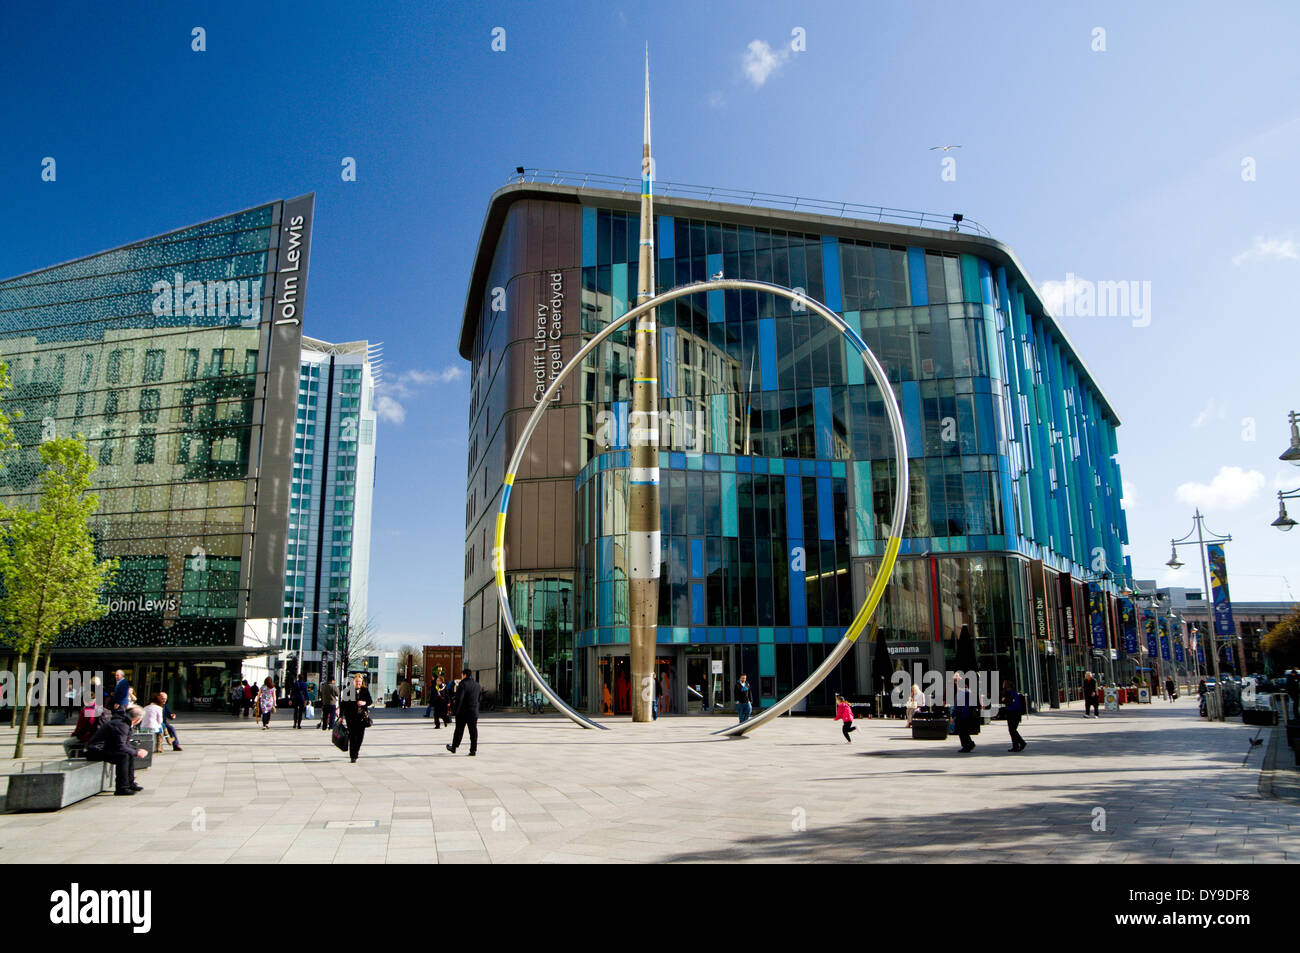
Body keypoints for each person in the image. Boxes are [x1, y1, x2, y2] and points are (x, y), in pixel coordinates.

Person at [85, 705, 148, 795]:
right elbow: (121, 746)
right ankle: (122, 787)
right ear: (138, 720)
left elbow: (123, 744)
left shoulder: (123, 722)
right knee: (124, 756)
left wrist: (135, 750)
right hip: (95, 751)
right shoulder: (122, 725)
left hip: (105, 748)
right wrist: (137, 752)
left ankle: (130, 783)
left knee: (129, 754)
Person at [446, 667, 481, 756]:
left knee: (459, 730)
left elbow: (459, 699)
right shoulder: (477, 685)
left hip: (463, 712)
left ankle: (454, 747)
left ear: (464, 675)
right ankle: (473, 750)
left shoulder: (462, 684)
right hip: (473, 711)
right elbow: (479, 698)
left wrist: (455, 711)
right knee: (473, 731)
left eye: (462, 675)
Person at [339, 672, 373, 762]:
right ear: (353, 681)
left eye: (360, 682)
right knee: (352, 737)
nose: (358, 684)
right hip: (351, 718)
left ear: (362, 682)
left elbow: (370, 701)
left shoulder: (365, 690)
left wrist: (364, 702)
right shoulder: (348, 691)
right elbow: (343, 705)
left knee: (360, 737)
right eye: (357, 682)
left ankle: (356, 751)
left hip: (362, 717)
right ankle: (353, 756)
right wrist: (340, 716)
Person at [952, 673, 977, 753]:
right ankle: (969, 744)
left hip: (962, 714)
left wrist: (953, 715)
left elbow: (957, 706)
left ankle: (967, 746)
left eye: (956, 681)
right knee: (964, 731)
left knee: (961, 731)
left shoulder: (961, 692)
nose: (955, 683)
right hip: (967, 714)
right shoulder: (968, 691)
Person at [1001, 680, 1027, 752]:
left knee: (1012, 730)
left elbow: (1005, 701)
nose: (1002, 685)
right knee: (1013, 730)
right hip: (1017, 713)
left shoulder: (1007, 693)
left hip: (1011, 713)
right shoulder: (1015, 693)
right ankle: (1018, 744)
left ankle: (1019, 744)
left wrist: (1003, 700)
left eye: (1003, 684)